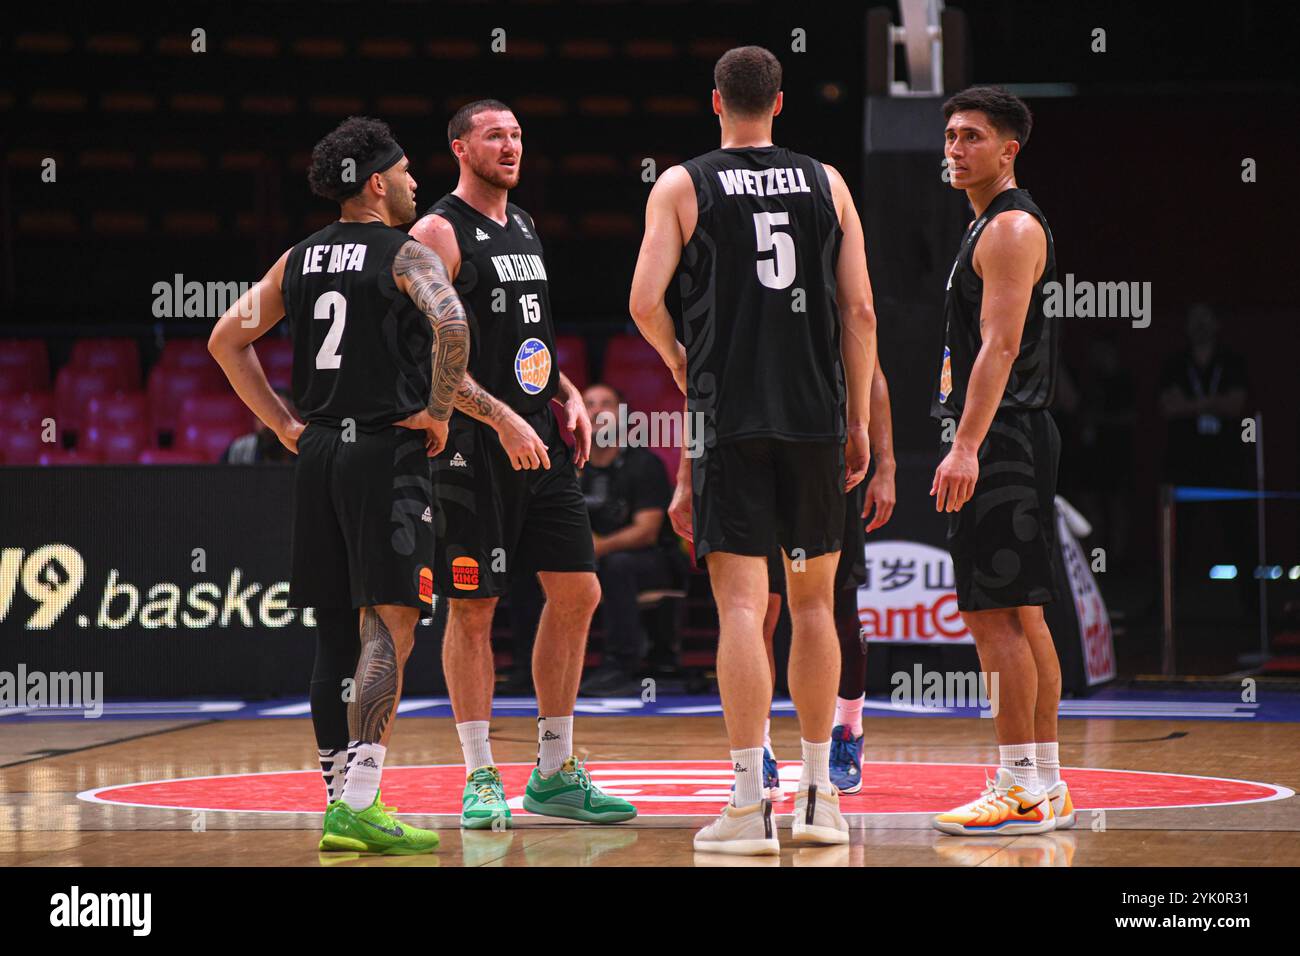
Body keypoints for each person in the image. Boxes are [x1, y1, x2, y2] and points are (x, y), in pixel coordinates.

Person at [630, 46, 877, 854]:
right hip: (814, 419)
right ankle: (819, 801)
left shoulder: (681, 183)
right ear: (780, 103)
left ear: (715, 103)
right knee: (813, 607)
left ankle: (748, 807)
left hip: (727, 419)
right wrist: (861, 421)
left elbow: (643, 302)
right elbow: (861, 313)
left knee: (742, 608)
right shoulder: (827, 181)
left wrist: (679, 358)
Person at [208, 116, 469, 854]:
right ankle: (359, 802)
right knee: (391, 623)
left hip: (320, 450)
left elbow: (225, 339)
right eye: (408, 170)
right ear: (377, 183)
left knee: (331, 629)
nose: (418, 183)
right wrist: (441, 412)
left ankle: (337, 804)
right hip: (386, 449)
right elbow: (453, 327)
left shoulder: (299, 258)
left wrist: (286, 427)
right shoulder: (406, 254)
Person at [408, 100, 637, 829]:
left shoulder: (526, 223)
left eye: (516, 135)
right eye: (494, 136)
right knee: (474, 607)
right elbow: (430, 359)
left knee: (578, 594)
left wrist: (563, 391)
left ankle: (554, 770)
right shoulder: (435, 231)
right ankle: (479, 774)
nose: (510, 146)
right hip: (473, 445)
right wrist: (502, 416)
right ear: (459, 148)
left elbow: (527, 333)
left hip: (537, 436)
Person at [928, 86, 1072, 835]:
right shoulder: (986, 222)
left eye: (971, 137)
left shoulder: (1010, 226)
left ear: (1009, 149)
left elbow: (1001, 346)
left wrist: (964, 445)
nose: (954, 148)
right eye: (950, 135)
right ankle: (1047, 783)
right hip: (1010, 434)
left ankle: (1017, 783)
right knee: (1022, 612)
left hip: (1001, 438)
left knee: (995, 619)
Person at [759, 360, 895, 798]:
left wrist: (886, 466)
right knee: (760, 609)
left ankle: (848, 730)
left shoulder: (837, 295)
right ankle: (757, 745)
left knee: (838, 609)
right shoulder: (738, 297)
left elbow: (871, 374)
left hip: (827, 458)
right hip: (755, 458)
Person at [577, 382, 679, 696]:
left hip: (655, 558)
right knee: (532, 568)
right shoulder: (570, 466)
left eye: (605, 403)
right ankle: (528, 666)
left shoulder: (644, 464)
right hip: (590, 557)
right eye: (589, 404)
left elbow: (646, 531)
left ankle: (620, 665)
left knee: (616, 564)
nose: (596, 411)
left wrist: (595, 548)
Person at [221, 388, 298, 464]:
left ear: (293, 419)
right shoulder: (238, 449)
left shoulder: (304, 451)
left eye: (275, 418)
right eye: (261, 417)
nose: (267, 424)